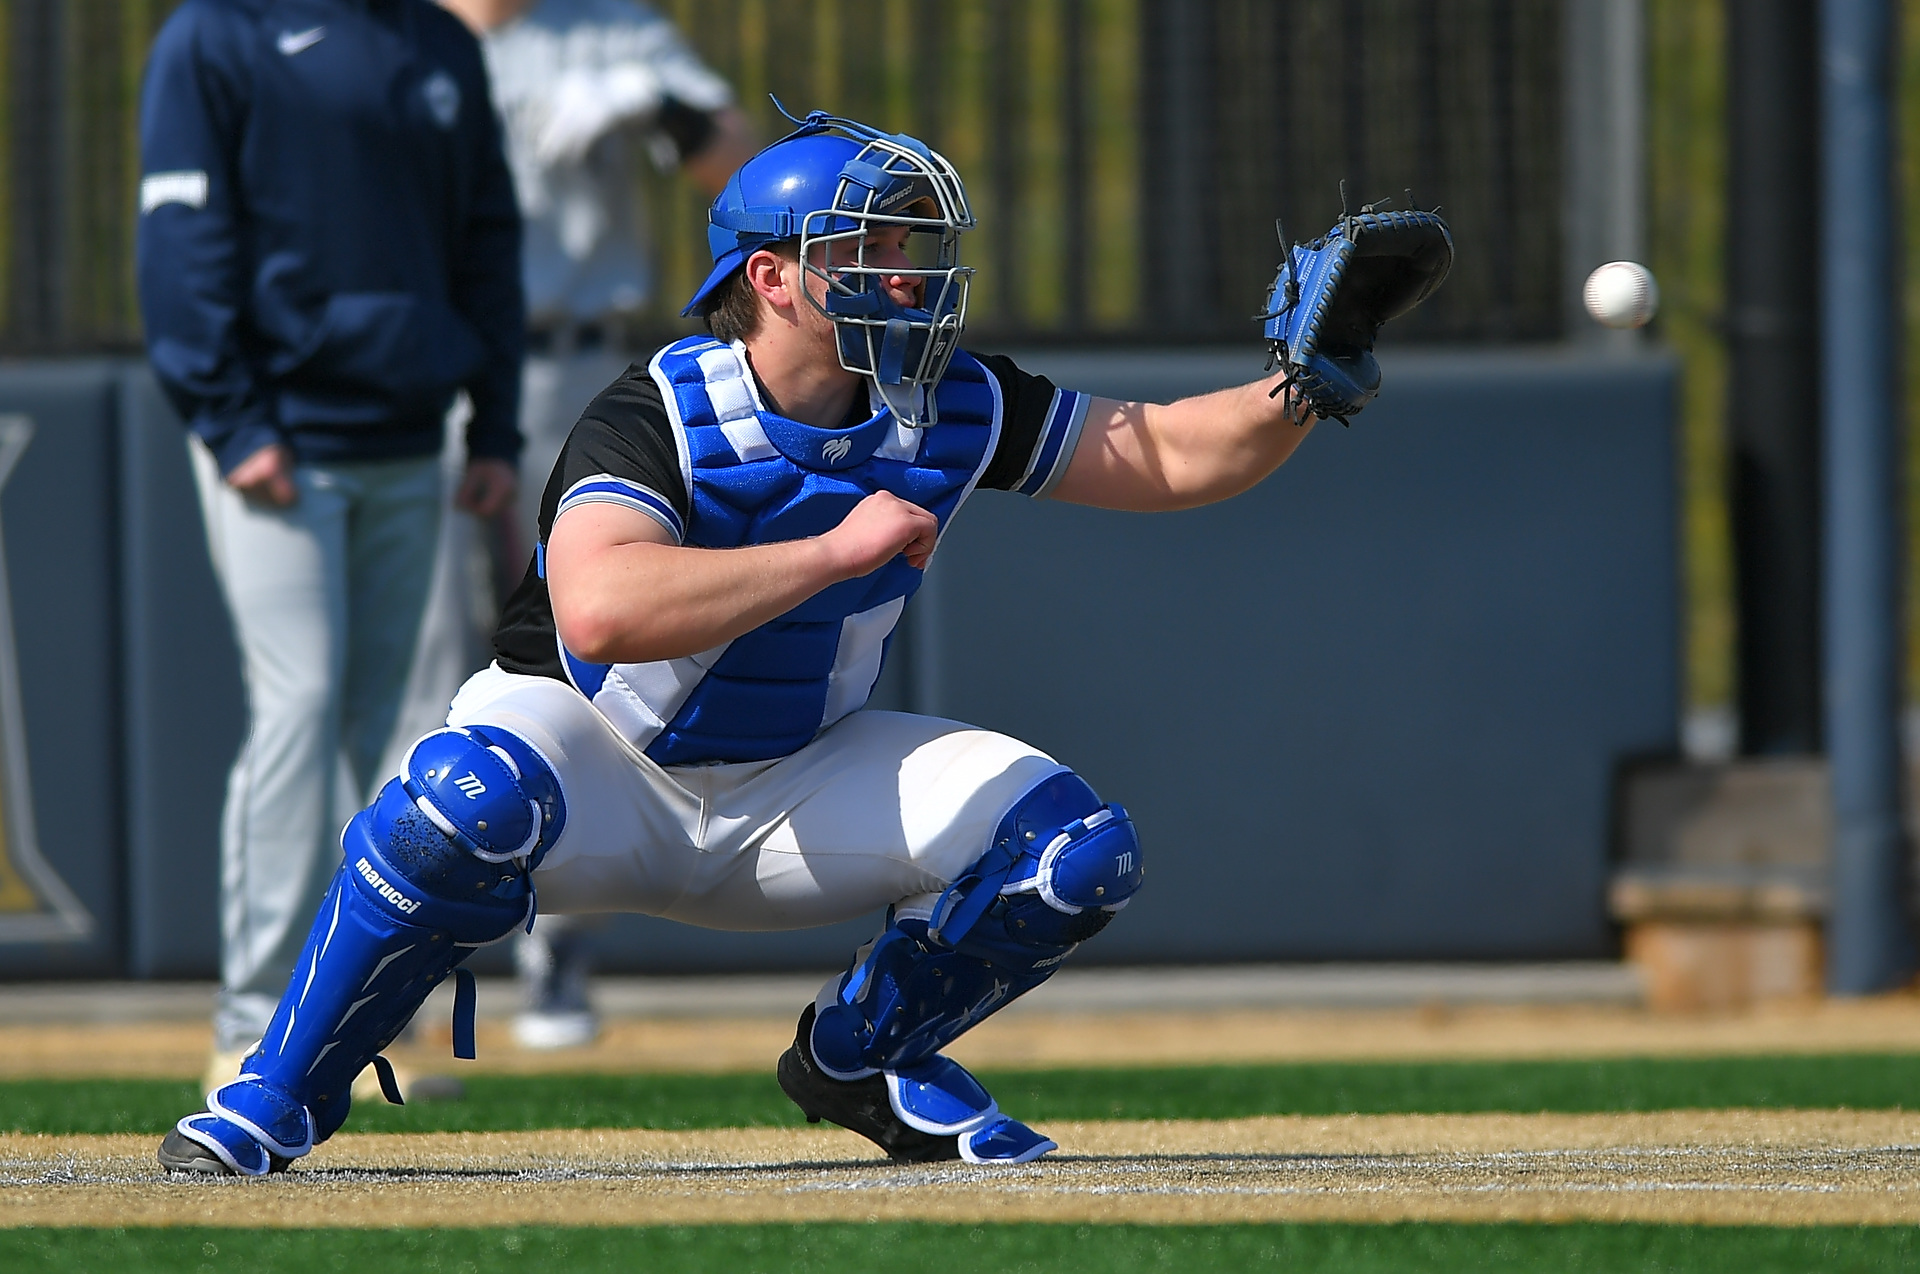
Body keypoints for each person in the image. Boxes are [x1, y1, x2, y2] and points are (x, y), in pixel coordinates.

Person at [156, 108, 1429, 1176]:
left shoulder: (953, 400)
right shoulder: (658, 404)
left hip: (791, 783)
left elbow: (1166, 457)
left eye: (917, 249)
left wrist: (1306, 381)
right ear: (771, 275)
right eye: (873, 249)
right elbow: (600, 608)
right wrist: (833, 551)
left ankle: (862, 1057)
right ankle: (272, 1097)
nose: (910, 277)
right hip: (596, 755)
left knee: (1077, 850)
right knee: (458, 800)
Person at [135, 0, 524, 1096]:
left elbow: (486, 236)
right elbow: (179, 236)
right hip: (282, 443)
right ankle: (254, 1019)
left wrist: (491, 424)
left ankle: (350, 1022)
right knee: (299, 708)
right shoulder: (216, 34)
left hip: (412, 440)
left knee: (381, 731)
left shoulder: (439, 40)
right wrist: (231, 417)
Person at [402, 0, 757, 1050]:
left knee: (576, 662)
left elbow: (742, 170)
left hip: (567, 355)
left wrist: (665, 108)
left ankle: (557, 953)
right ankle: (409, 946)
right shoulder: (395, 30)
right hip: (428, 366)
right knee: (412, 673)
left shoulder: (606, 29)